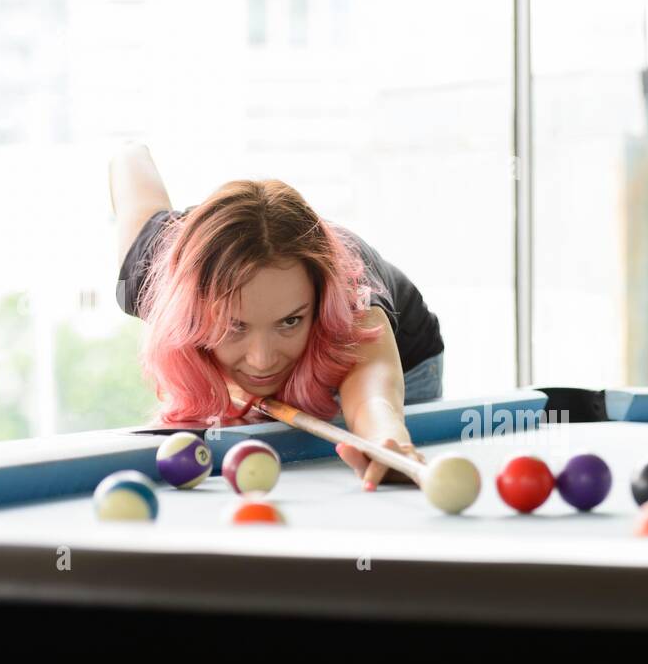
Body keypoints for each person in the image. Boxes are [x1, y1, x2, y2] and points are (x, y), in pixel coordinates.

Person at [108, 144, 444, 490]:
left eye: (290, 321)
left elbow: (372, 396)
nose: (262, 360)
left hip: (402, 364)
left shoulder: (351, 300)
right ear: (191, 311)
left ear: (318, 303)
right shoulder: (155, 275)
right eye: (233, 326)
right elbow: (130, 167)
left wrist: (386, 439)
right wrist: (128, 145)